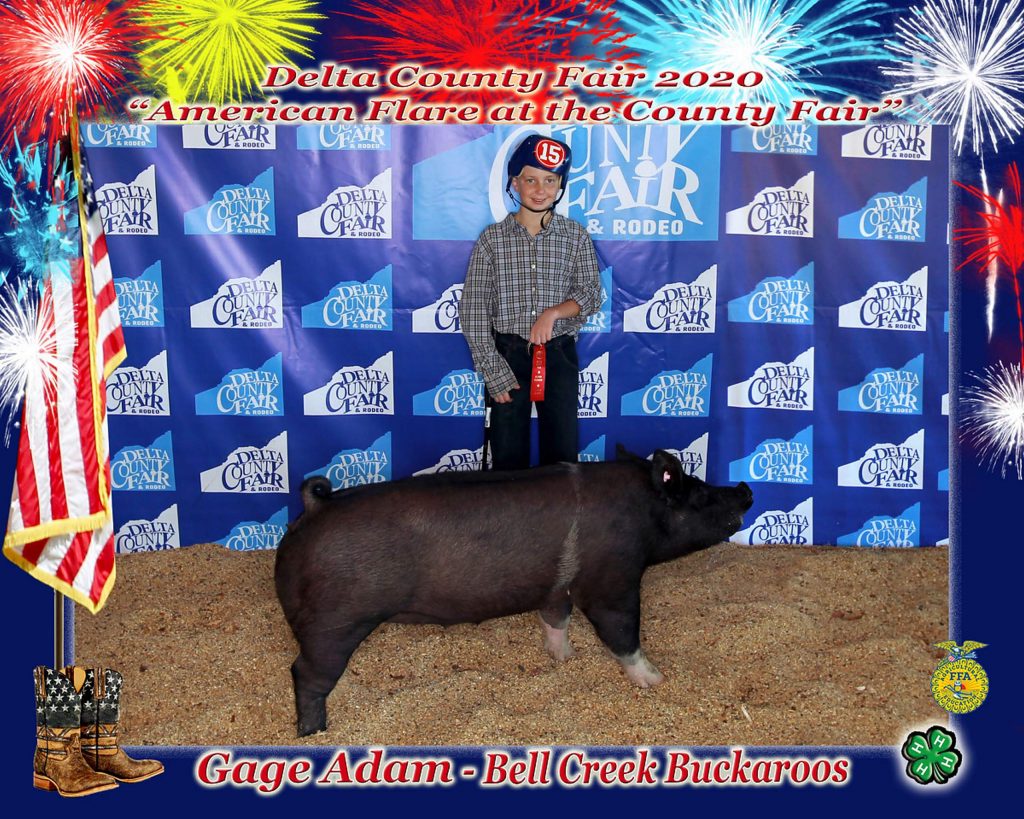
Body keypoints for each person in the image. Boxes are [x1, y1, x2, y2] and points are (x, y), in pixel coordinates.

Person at [459, 134, 601, 470]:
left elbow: (591, 293)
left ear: (560, 184)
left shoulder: (575, 236)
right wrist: (492, 369)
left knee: (562, 455)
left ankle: (562, 522)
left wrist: (553, 313)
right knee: (507, 455)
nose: (540, 189)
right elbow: (474, 309)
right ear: (515, 183)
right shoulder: (492, 239)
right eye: (531, 179)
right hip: (507, 355)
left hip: (558, 354)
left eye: (550, 180)